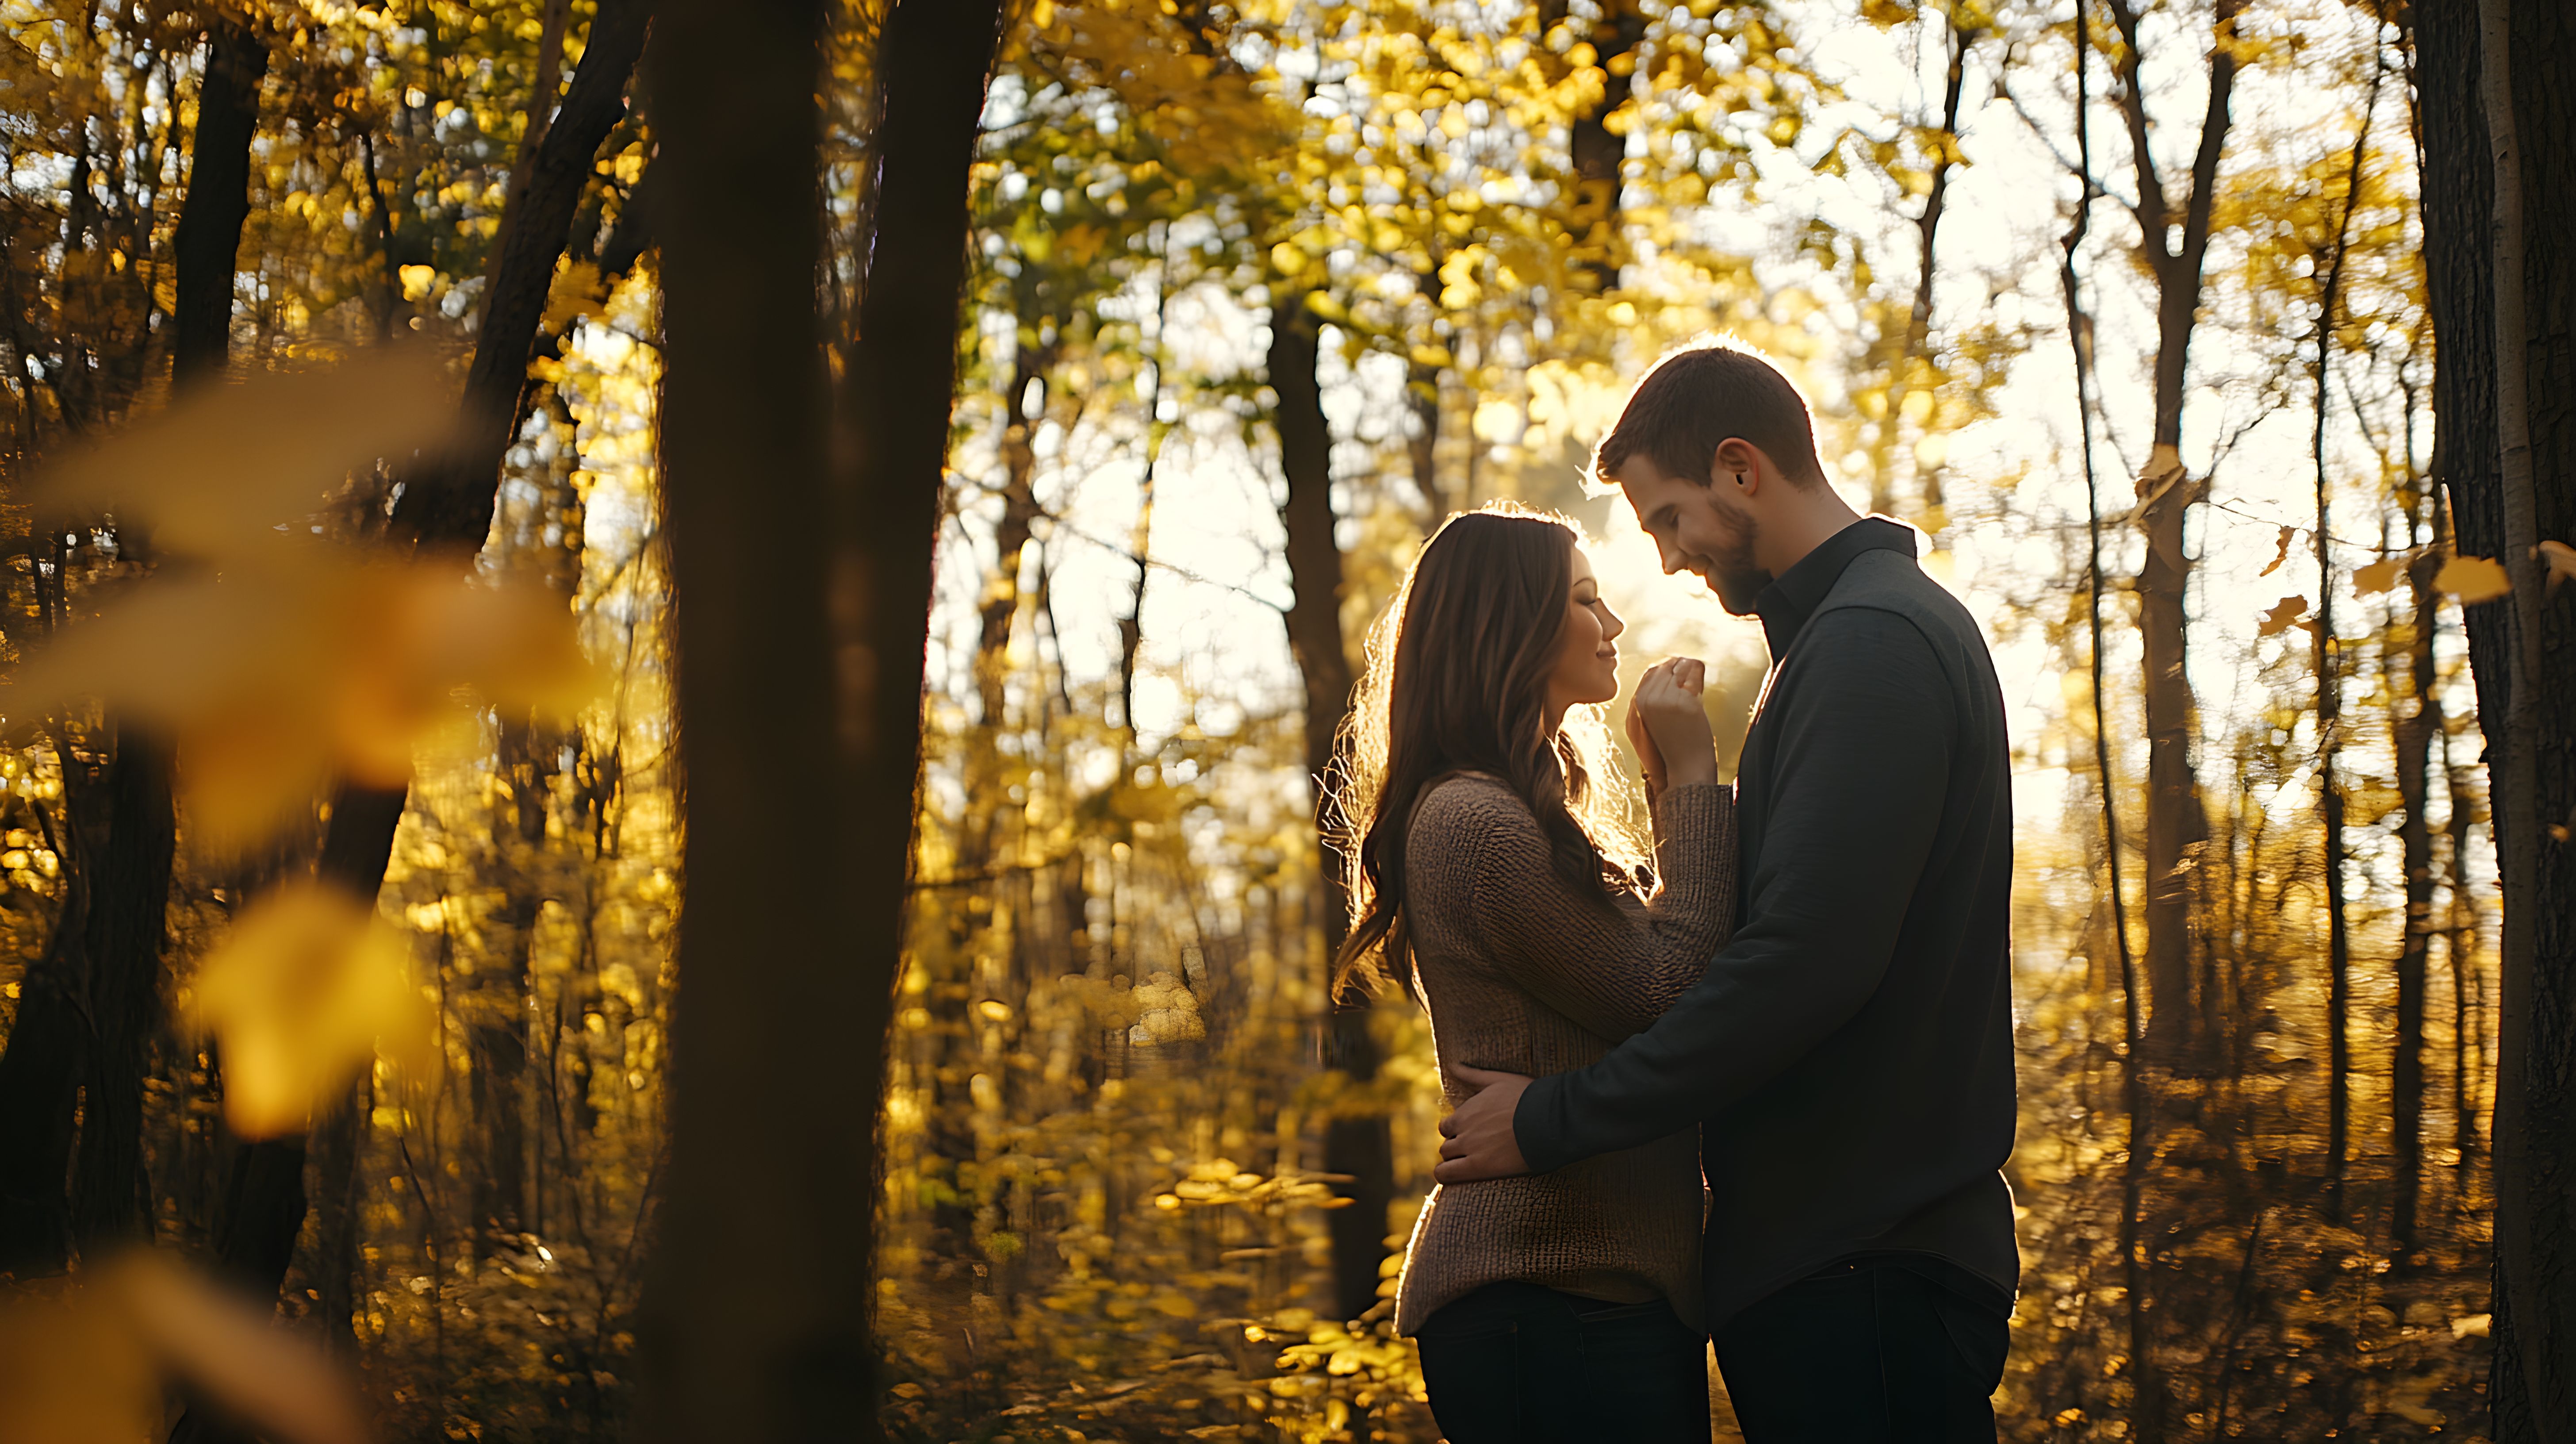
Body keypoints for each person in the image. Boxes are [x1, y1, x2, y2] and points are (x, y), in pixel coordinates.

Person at [1431, 344, 2020, 1442]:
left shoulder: (1868, 644)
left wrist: (1557, 1116)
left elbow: (1802, 964)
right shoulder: (1841, 647)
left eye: (1665, 519)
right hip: (1839, 1263)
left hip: (1864, 1265)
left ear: (1740, 470)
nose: (1662, 561)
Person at [1333, 504, 1738, 1443]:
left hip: (1586, 1305)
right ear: (1508, 625)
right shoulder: (1476, 826)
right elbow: (1669, 992)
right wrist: (1689, 780)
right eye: (1586, 601)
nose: (1614, 625)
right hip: (1548, 1309)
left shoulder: (1515, 811)